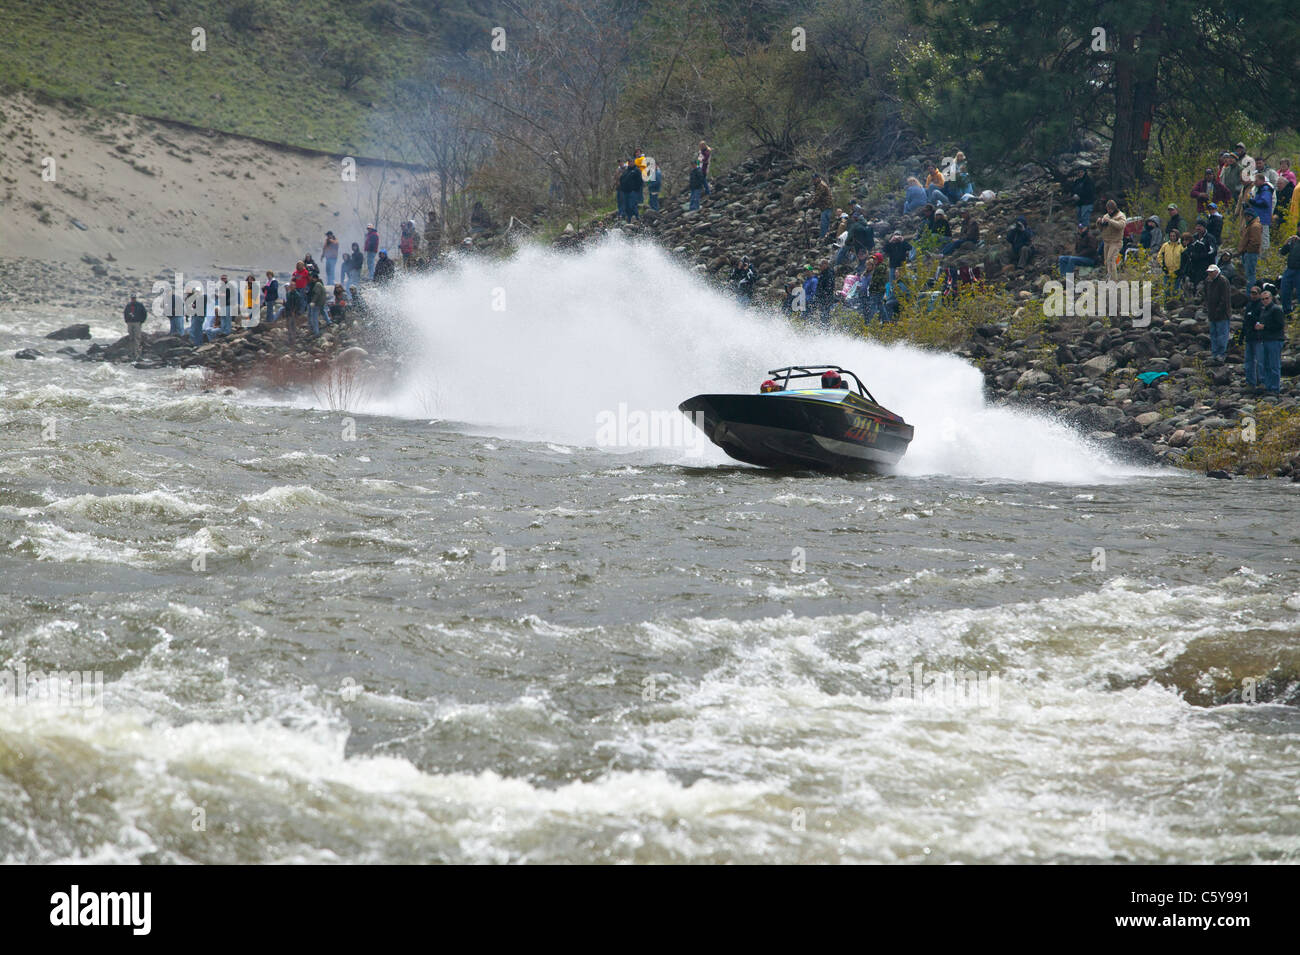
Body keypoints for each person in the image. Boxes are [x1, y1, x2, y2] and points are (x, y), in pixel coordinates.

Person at [1256, 288, 1285, 395]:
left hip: (1275, 340)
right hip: (1265, 340)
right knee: (1266, 365)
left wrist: (1264, 326)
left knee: (1274, 365)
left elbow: (1280, 325)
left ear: (1271, 298)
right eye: (1263, 299)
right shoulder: (1263, 310)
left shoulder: (1276, 309)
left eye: (1267, 298)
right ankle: (1268, 387)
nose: (1265, 300)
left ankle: (1275, 388)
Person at [1203, 264, 1231, 361]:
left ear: (1216, 271)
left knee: (1222, 334)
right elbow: (1206, 295)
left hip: (1222, 314)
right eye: (1208, 272)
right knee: (1213, 334)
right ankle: (1215, 353)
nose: (1209, 274)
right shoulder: (1208, 281)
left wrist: (1218, 311)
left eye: (1211, 272)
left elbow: (1225, 299)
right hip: (1212, 313)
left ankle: (1221, 353)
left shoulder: (1223, 281)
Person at [1239, 284, 1263, 391]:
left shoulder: (1261, 306)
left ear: (1259, 294)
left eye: (1255, 293)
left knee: (1260, 361)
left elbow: (1262, 321)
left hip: (1258, 338)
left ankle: (1262, 382)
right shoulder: (1249, 305)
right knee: (1249, 361)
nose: (1252, 295)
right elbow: (1245, 322)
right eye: (1251, 293)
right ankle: (1250, 382)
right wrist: (1241, 336)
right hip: (1249, 337)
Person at [1246, 171, 1276, 252]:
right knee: (1257, 236)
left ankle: (1265, 255)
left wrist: (1253, 201)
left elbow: (1265, 202)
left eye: (1256, 181)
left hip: (1264, 217)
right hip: (1258, 216)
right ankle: (1260, 253)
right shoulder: (1259, 189)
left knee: (1264, 237)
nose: (1254, 183)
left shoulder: (1266, 189)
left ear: (1262, 180)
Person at [1097, 200, 1126, 280]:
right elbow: (1102, 229)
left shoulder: (1121, 216)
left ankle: (1114, 280)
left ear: (1114, 208)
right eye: (1108, 209)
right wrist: (1099, 223)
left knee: (1111, 260)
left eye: (1110, 209)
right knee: (1106, 261)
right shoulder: (1106, 216)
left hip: (1116, 242)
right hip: (1106, 242)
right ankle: (1109, 279)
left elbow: (1121, 225)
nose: (1109, 211)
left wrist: (1110, 221)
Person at [859, 254, 888, 325]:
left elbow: (877, 279)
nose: (874, 261)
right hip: (878, 290)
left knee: (873, 306)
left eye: (875, 259)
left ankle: (871, 322)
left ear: (879, 259)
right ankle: (885, 320)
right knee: (880, 305)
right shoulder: (879, 267)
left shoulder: (880, 268)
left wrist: (872, 284)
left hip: (877, 290)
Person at [1237, 210, 1262, 291]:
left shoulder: (1255, 226)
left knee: (1250, 275)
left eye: (1249, 216)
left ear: (1253, 216)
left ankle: (1251, 293)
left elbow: (1255, 242)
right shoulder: (1250, 225)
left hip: (1251, 254)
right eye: (1246, 216)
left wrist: (1248, 251)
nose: (1247, 218)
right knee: (1248, 274)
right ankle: (1250, 292)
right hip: (1247, 253)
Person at [1279, 229, 1300, 316]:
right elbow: (1283, 252)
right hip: (1290, 269)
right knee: (1284, 291)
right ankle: (1287, 312)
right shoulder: (1293, 241)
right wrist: (1286, 242)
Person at [122, 293, 147, 359]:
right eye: (132, 298)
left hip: (137, 322)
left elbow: (144, 313)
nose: (133, 299)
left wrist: (141, 321)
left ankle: (137, 353)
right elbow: (125, 313)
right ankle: (131, 352)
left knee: (137, 338)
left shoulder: (140, 305)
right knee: (131, 338)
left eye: (134, 298)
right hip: (130, 323)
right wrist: (126, 321)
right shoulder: (128, 305)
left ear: (136, 298)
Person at [813, 258, 835, 324]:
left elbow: (829, 288)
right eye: (819, 265)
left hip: (826, 299)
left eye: (821, 265)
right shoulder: (822, 274)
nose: (820, 267)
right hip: (821, 298)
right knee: (822, 316)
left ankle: (826, 329)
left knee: (825, 316)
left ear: (826, 265)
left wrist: (823, 295)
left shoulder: (829, 274)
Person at [812, 174, 834, 238]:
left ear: (818, 178)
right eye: (813, 179)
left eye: (815, 179)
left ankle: (824, 237)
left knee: (825, 223)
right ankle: (825, 236)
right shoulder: (818, 185)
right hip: (824, 207)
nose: (814, 180)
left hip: (827, 206)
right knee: (825, 223)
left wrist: (809, 204)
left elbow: (817, 197)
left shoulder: (821, 185)